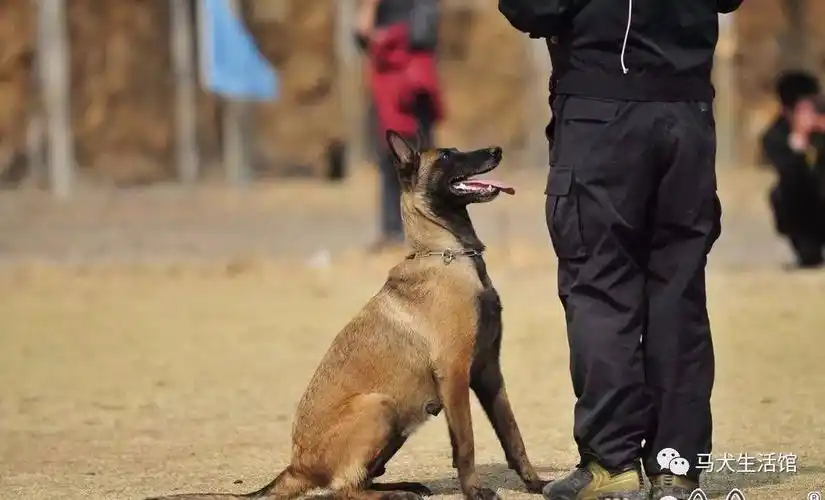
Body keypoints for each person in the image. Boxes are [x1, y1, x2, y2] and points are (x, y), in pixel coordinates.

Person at [497, 0, 741, 499]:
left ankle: (612, 463)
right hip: (687, 117)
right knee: (679, 295)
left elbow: (533, 8)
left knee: (601, 290)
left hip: (601, 114)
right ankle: (676, 469)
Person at [355, 0, 444, 252]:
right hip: (390, 77)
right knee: (392, 157)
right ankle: (394, 230)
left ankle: (428, 228)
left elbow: (424, 32)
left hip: (410, 74)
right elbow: (361, 34)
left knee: (420, 157)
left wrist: (386, 35)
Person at [761, 71, 825, 268]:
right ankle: (808, 251)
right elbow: (791, 177)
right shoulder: (775, 137)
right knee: (779, 195)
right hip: (805, 208)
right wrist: (798, 140)